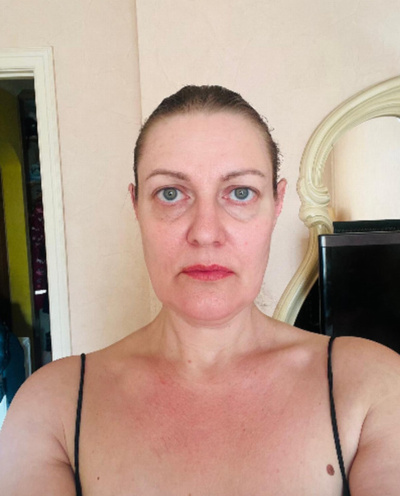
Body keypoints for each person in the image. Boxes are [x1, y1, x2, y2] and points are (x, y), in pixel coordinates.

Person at [0, 85, 400, 495]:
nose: (206, 232)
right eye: (170, 194)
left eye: (240, 193)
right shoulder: (52, 408)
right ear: (136, 206)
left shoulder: (372, 389)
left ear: (277, 203)